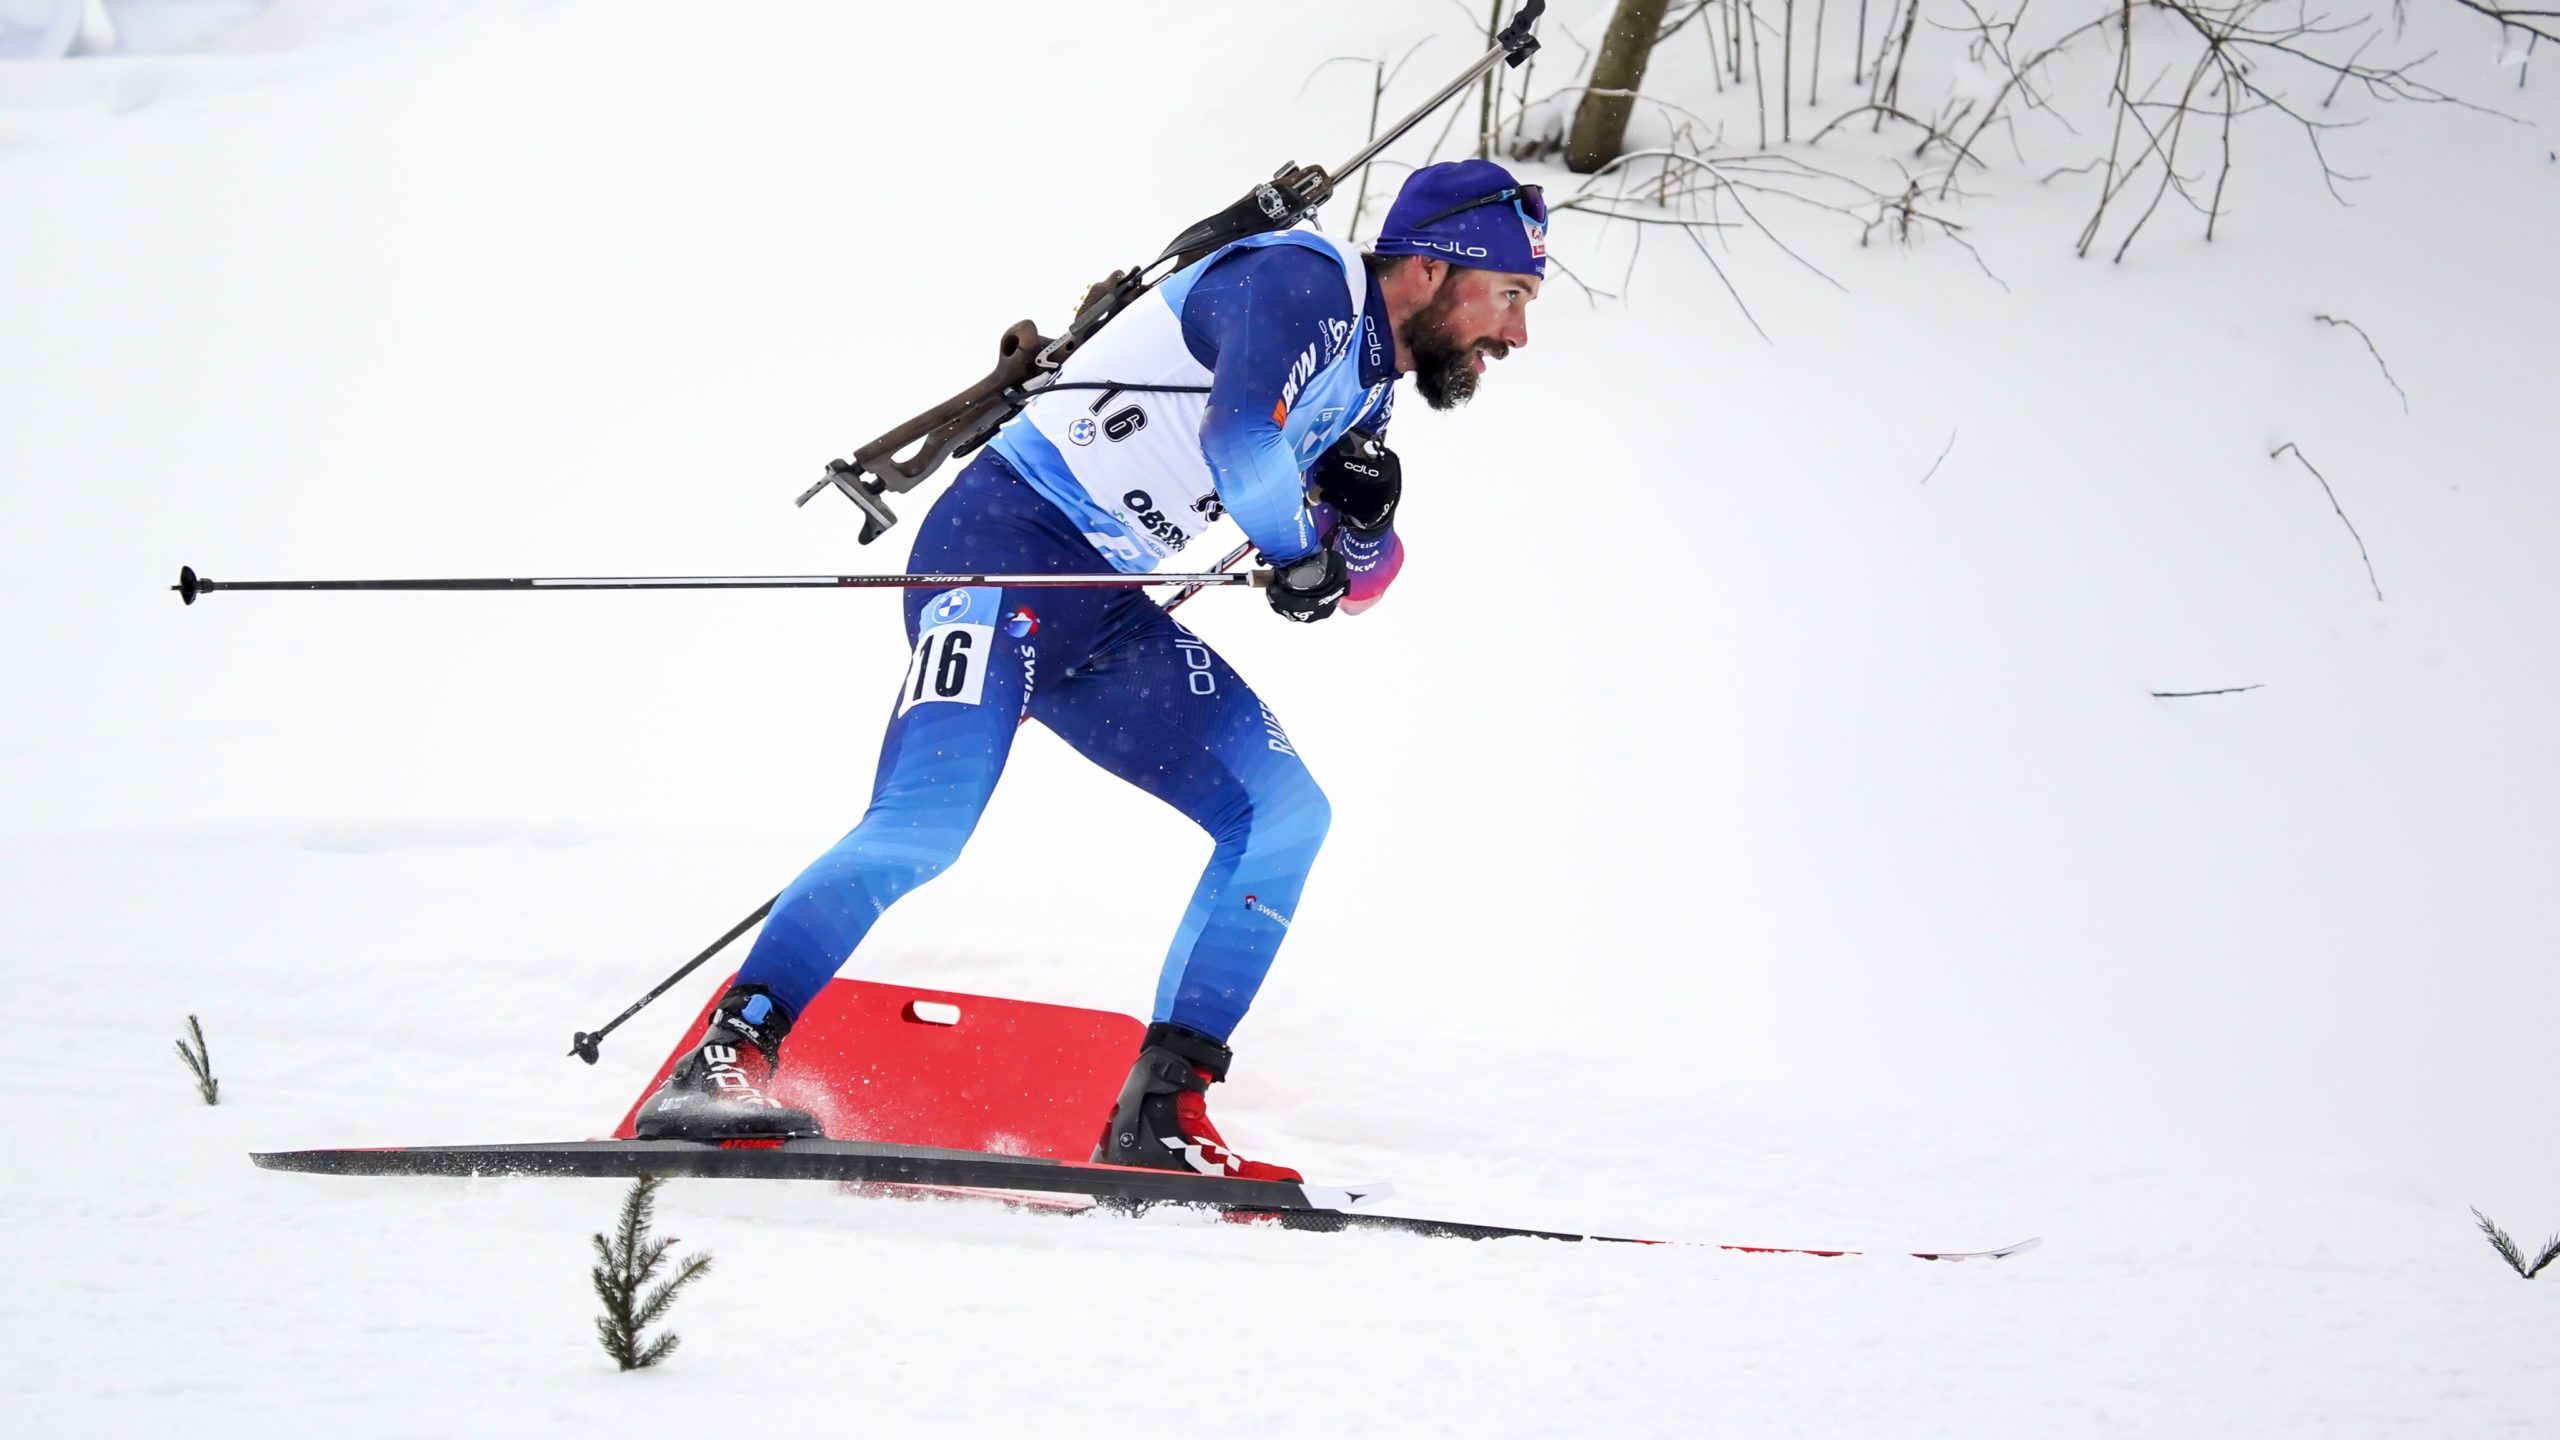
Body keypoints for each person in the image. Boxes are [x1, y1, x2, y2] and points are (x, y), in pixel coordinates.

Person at [633, 159, 1546, 1181]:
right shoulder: (1302, 282)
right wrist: (1300, 539)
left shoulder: (1363, 387)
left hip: (1102, 609)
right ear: (1429, 267)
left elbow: (1358, 587)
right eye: (1508, 296)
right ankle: (725, 1056)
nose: (1514, 334)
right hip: (999, 555)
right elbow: (1242, 442)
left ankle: (1160, 1110)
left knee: (1285, 814)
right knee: (925, 826)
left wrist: (1362, 525)